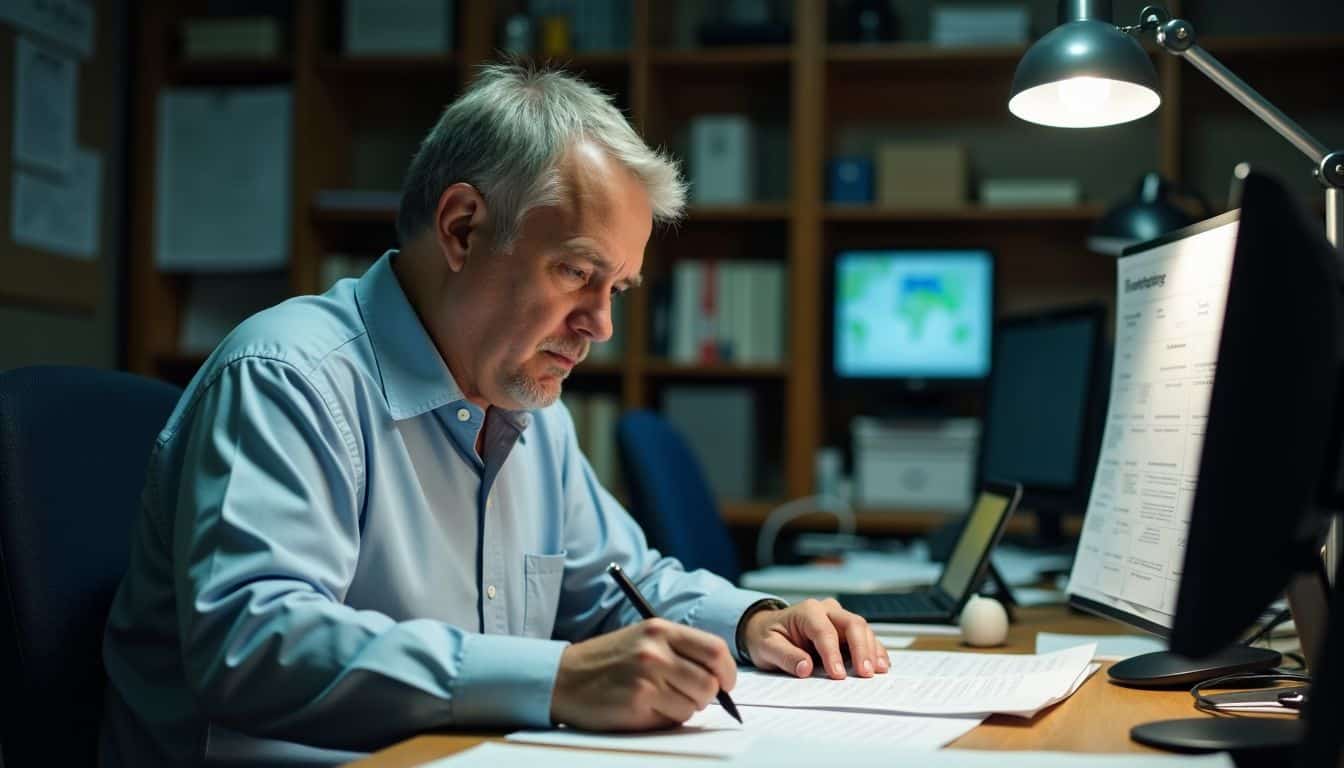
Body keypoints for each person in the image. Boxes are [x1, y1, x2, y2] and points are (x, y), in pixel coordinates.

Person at [101, 64, 889, 767]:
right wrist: (559, 679)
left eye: (615, 289)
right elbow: (252, 645)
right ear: (462, 228)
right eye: (577, 273)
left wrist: (754, 621)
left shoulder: (531, 412)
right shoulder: (288, 377)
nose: (600, 326)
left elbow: (620, 586)